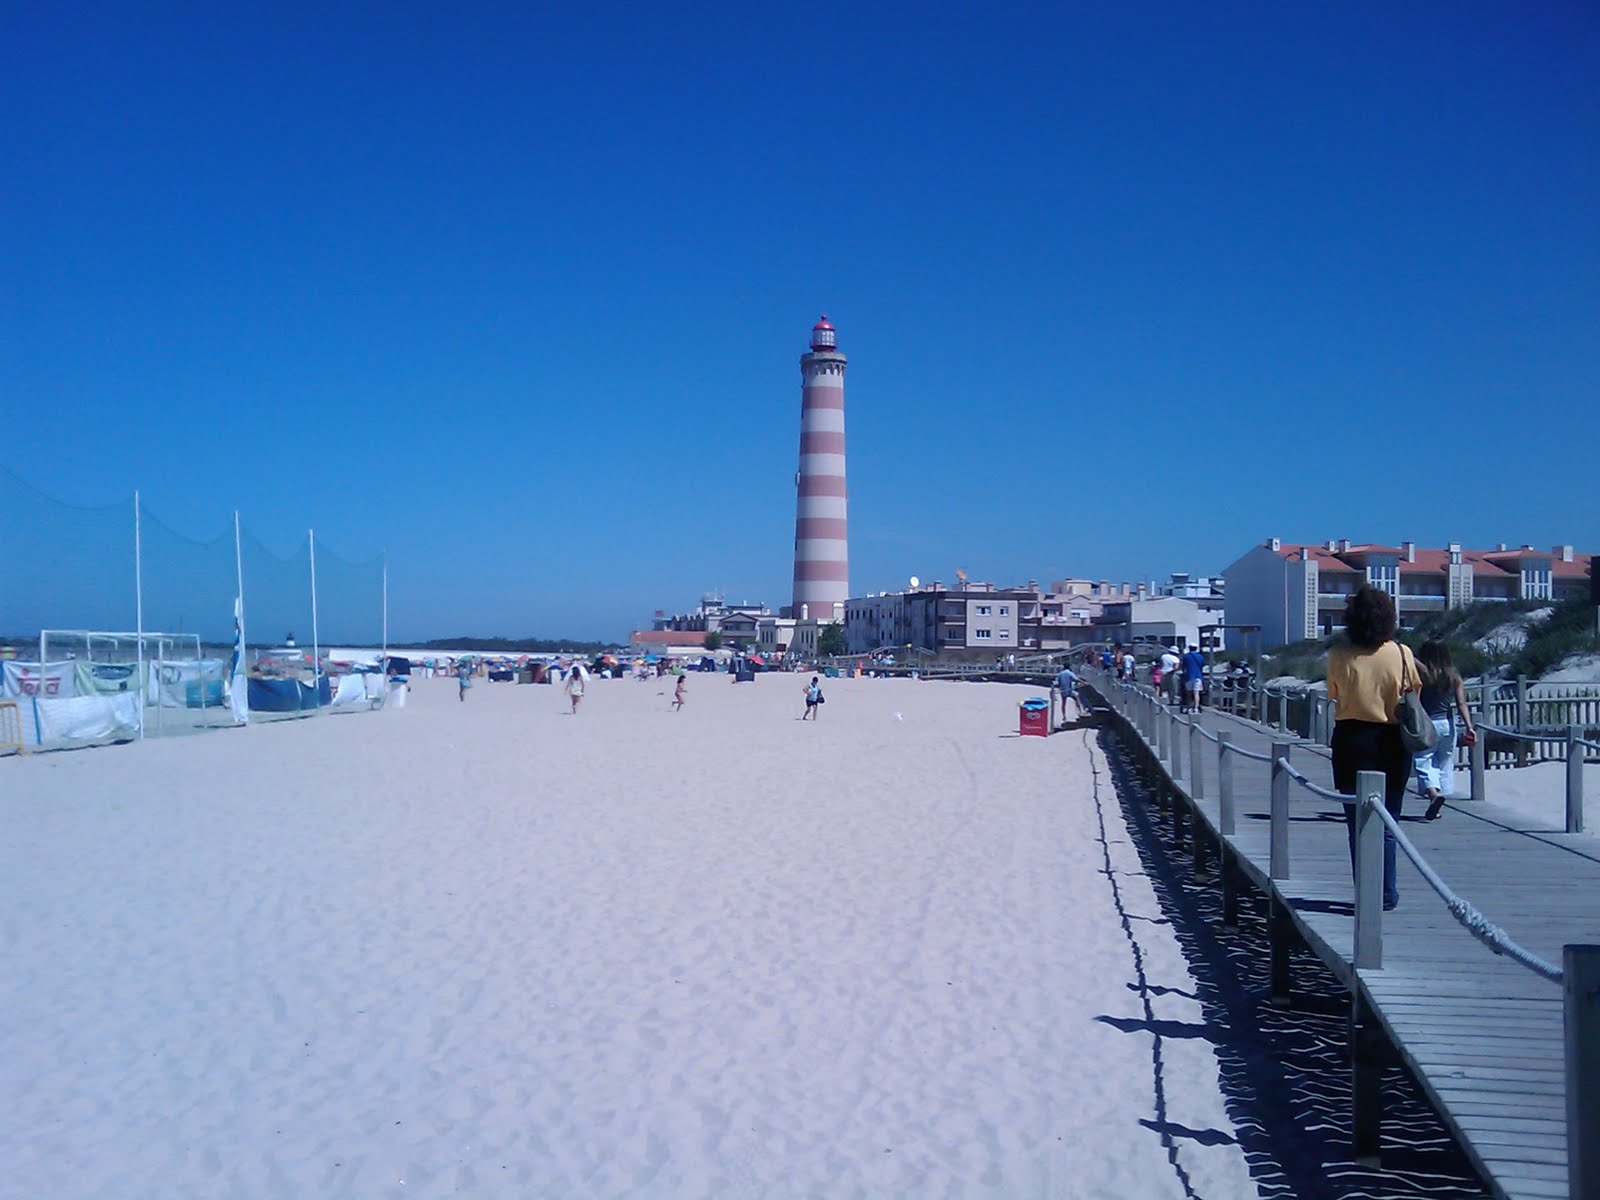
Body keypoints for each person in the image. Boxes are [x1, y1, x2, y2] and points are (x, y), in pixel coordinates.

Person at [1326, 585, 1419, 911]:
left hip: (1352, 740)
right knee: (1389, 822)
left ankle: (1366, 894)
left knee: (1357, 825)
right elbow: (1412, 690)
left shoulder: (1338, 654)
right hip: (1393, 741)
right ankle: (1386, 894)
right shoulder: (1402, 652)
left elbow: (1334, 694)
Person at [1413, 640, 1477, 820]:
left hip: (1427, 723)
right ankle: (1438, 798)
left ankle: (1433, 794)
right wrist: (1469, 727)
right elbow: (1461, 703)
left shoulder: (1424, 673)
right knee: (1444, 760)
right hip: (1448, 724)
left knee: (1423, 760)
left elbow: (1409, 658)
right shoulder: (1453, 675)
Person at [1181, 644, 1205, 713]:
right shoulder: (1200, 656)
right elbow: (1202, 665)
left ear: (1189, 648)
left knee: (1189, 693)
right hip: (1198, 676)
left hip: (1189, 676)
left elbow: (1184, 667)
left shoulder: (1186, 656)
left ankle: (1189, 707)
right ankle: (1196, 708)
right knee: (1196, 693)